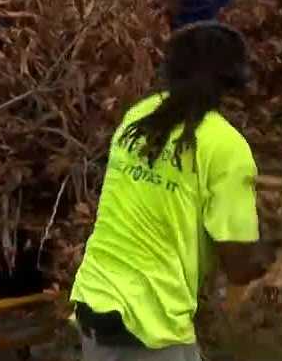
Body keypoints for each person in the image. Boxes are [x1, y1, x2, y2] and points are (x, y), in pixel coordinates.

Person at [70, 22, 270, 361]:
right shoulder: (226, 146)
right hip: (151, 322)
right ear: (231, 83)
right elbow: (237, 262)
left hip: (95, 297)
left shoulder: (139, 117)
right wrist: (278, 259)